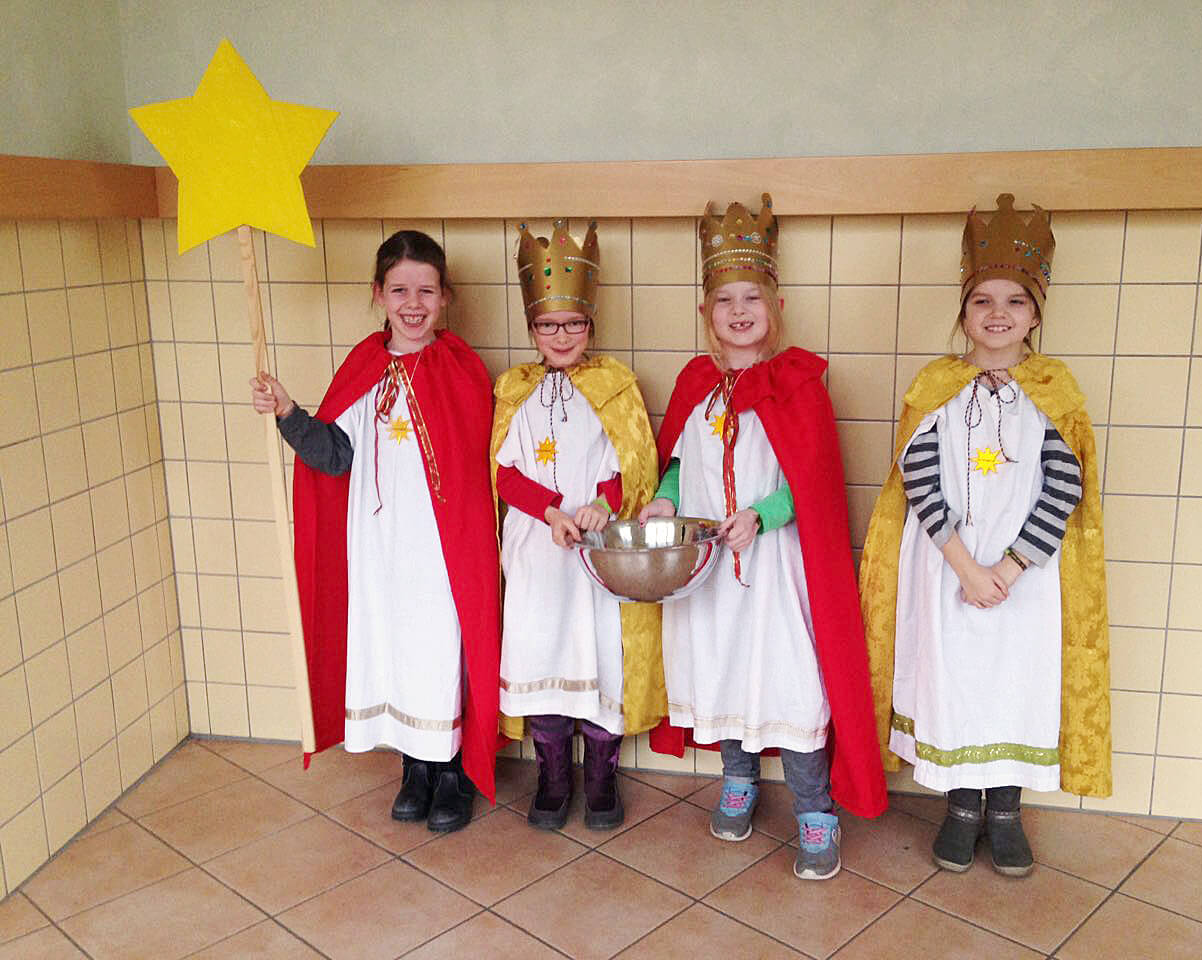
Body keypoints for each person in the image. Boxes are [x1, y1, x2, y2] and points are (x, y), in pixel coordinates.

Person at [860, 194, 1112, 876]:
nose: (998, 315)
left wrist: (1009, 568)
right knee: (954, 681)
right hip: (947, 568)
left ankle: (1005, 810)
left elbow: (1066, 486)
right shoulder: (937, 386)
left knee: (1013, 683)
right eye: (982, 302)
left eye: (1016, 302)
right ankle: (960, 807)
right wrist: (965, 566)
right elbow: (918, 477)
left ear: (1036, 314)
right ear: (963, 311)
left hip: (1024, 583)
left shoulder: (1054, 390)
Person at [641, 194, 887, 880]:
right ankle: (739, 781)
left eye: (753, 297)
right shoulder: (697, 385)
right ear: (706, 314)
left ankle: (814, 810)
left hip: (776, 570)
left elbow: (809, 481)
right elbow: (683, 461)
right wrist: (664, 500)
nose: (740, 310)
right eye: (725, 300)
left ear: (774, 307)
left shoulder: (798, 383)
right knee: (719, 667)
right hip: (709, 570)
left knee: (789, 679)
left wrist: (763, 514)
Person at [250, 229, 500, 832]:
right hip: (379, 551)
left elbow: (475, 470)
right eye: (399, 290)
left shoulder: (463, 369)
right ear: (378, 295)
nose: (413, 304)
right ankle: (415, 768)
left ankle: (452, 773)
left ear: (446, 298)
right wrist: (289, 412)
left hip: (442, 550)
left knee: (442, 648)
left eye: (426, 291)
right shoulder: (364, 365)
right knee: (393, 649)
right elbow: (336, 456)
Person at [491, 219, 664, 831]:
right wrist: (552, 511)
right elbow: (503, 472)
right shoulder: (513, 389)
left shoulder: (614, 384)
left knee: (600, 660)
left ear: (590, 324)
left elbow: (633, 463)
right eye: (547, 324)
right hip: (537, 551)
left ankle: (600, 777)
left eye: (572, 324)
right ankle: (552, 775)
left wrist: (599, 503)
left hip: (597, 551)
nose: (560, 335)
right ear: (532, 327)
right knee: (541, 653)